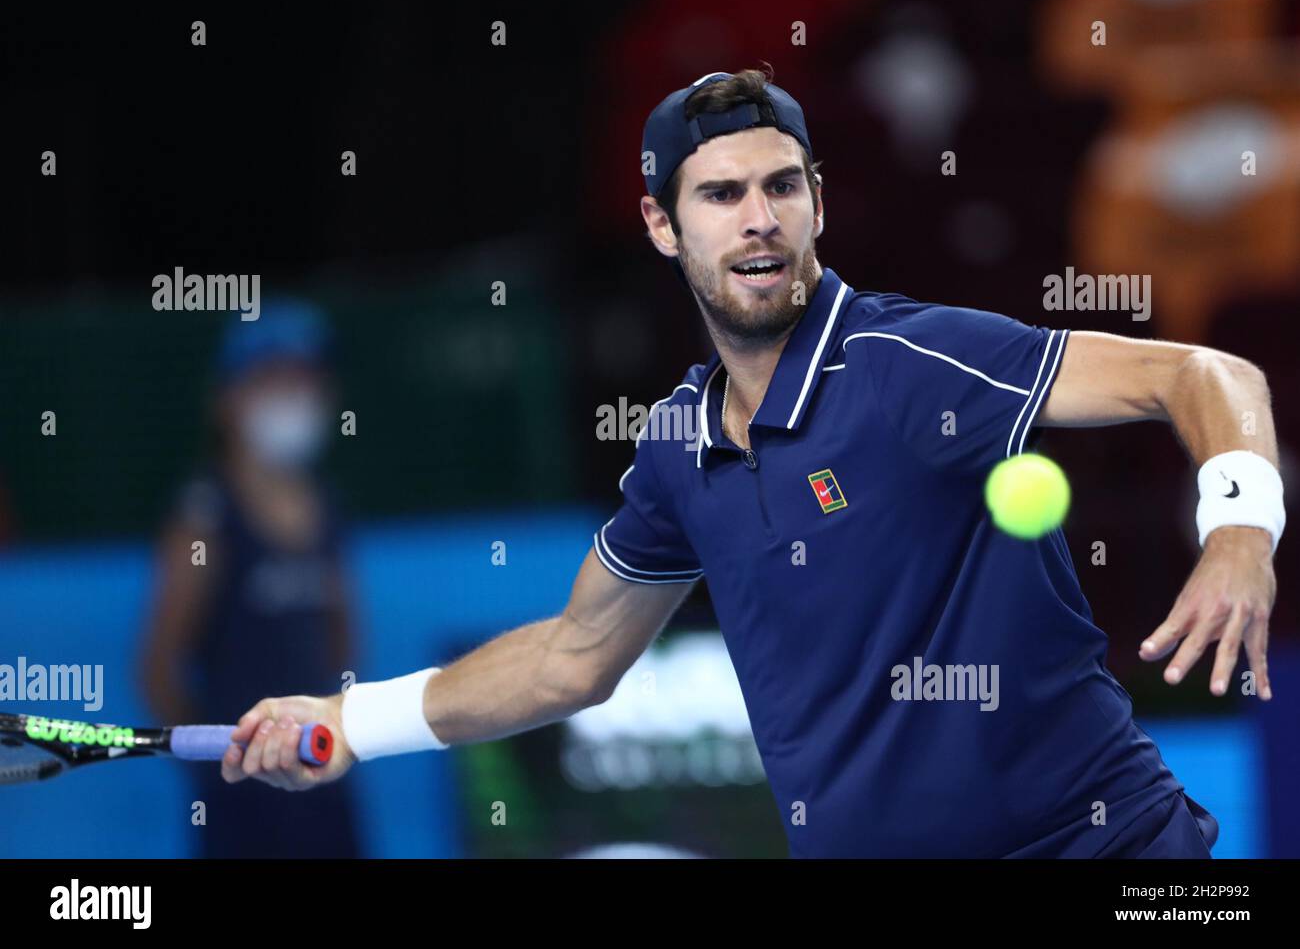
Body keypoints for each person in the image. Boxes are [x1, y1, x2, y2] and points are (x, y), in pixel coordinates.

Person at [220, 69, 1283, 858]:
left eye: (782, 185)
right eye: (721, 195)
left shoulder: (911, 362)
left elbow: (1200, 371)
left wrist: (1238, 529)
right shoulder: (679, 451)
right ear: (659, 225)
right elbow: (572, 659)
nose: (760, 219)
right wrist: (350, 718)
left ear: (817, 199)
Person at [142, 302, 361, 858]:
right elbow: (159, 667)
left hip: (325, 779)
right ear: (227, 399)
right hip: (244, 802)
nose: (293, 393)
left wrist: (341, 729)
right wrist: (218, 757)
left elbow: (343, 634)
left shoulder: (326, 507)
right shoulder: (205, 516)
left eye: (305, 377)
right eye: (272, 378)